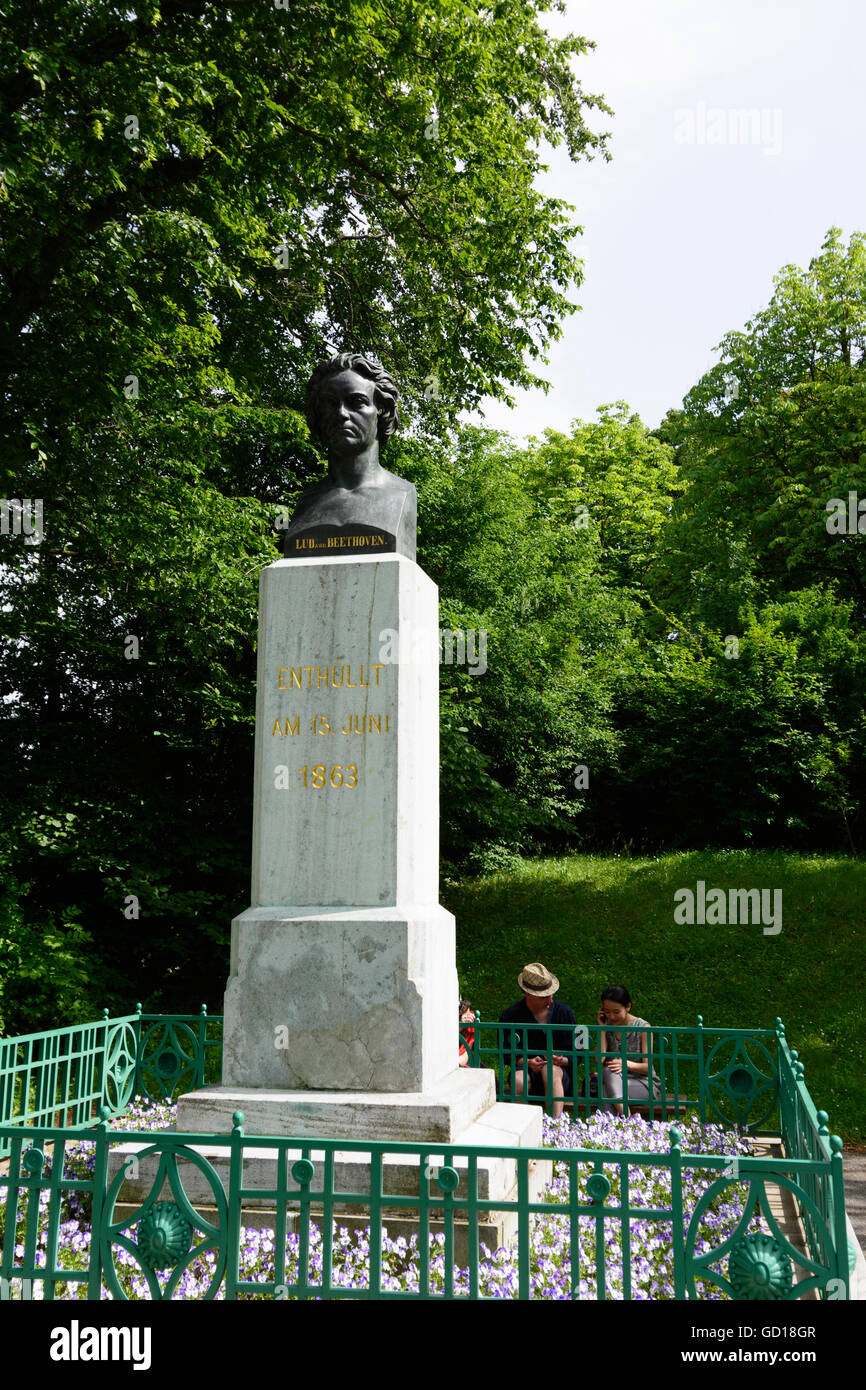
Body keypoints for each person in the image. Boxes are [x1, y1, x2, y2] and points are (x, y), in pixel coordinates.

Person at [499, 963, 576, 1119]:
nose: (550, 998)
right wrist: (527, 1062)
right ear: (527, 993)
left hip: (559, 1077)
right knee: (518, 1080)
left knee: (550, 1071)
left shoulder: (564, 1013)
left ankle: (555, 1128)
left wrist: (562, 1060)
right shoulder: (510, 1015)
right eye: (544, 995)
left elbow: (579, 1051)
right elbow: (506, 1053)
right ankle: (520, 1127)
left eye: (550, 993)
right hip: (526, 1071)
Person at [597, 985, 662, 1115]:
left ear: (628, 1007)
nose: (611, 1017)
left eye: (616, 1012)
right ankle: (625, 1120)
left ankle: (620, 1122)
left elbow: (647, 1067)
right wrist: (602, 1029)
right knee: (607, 1079)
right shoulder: (608, 1027)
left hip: (643, 1084)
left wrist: (624, 1064)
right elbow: (600, 1059)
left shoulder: (643, 1027)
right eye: (607, 1012)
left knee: (606, 1085)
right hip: (614, 1081)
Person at [458, 997, 476, 1067]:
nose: (471, 1016)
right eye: (467, 1015)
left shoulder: (468, 1029)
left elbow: (464, 1058)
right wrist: (461, 1026)